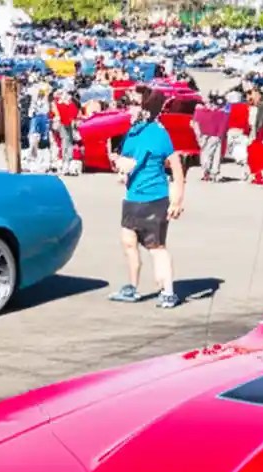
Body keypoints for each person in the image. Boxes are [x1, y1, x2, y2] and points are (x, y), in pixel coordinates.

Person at [107, 88, 186, 309]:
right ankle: (132, 287)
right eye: (128, 102)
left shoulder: (158, 132)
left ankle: (168, 292)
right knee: (128, 242)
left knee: (156, 247)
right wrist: (121, 169)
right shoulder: (133, 131)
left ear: (146, 108)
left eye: (133, 103)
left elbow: (176, 165)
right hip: (133, 197)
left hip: (154, 198)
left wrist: (177, 199)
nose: (128, 107)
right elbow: (128, 160)